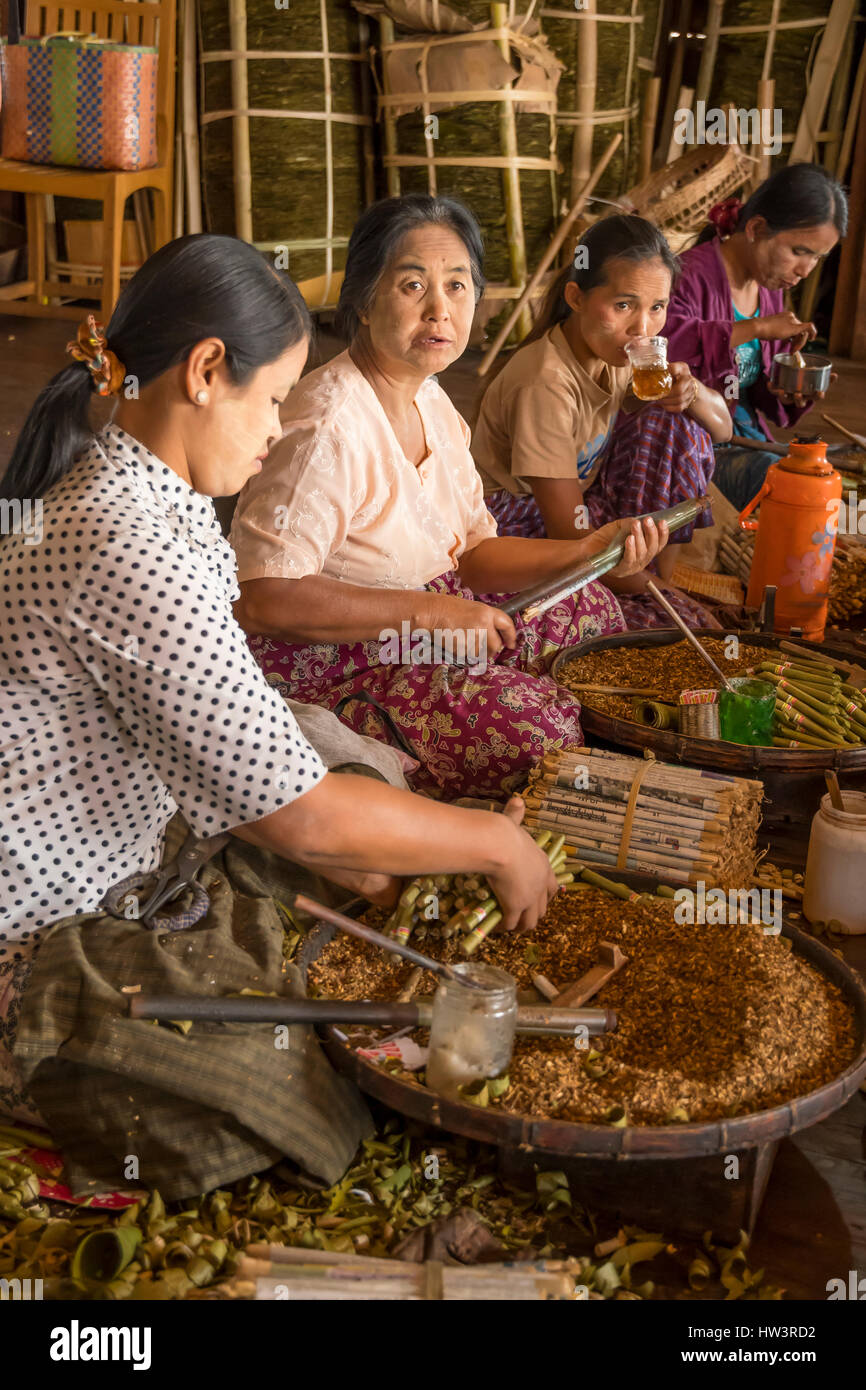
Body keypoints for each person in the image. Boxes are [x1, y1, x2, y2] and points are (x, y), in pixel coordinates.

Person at [0, 233, 559, 1190]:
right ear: (207, 371)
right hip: (41, 915)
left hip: (138, 843)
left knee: (354, 831)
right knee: (287, 1089)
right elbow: (289, 810)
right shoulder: (119, 536)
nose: (275, 431)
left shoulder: (155, 494)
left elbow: (254, 749)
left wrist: (372, 841)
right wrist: (491, 844)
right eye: (271, 401)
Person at [230, 196, 667, 800]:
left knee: (591, 611)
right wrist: (432, 614)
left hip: (427, 621)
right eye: (413, 285)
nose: (440, 309)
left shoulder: (432, 401)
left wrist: (589, 550)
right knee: (534, 731)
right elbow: (263, 599)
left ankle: (495, 698)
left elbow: (475, 553)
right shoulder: (328, 425)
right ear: (363, 297)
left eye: (458, 286)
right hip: (340, 661)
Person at [472, 215, 732, 631]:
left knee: (677, 425)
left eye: (657, 307)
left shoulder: (615, 356)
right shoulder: (545, 383)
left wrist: (692, 392)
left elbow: (722, 430)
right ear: (575, 297)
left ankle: (654, 577)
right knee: (634, 623)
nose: (642, 329)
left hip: (578, 510)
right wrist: (668, 600)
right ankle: (651, 587)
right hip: (517, 528)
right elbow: (568, 534)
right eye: (623, 305)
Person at [664, 163, 848, 511]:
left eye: (817, 258)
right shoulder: (686, 275)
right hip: (687, 445)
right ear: (757, 228)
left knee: (814, 476)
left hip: (742, 437)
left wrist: (788, 391)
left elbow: (750, 389)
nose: (805, 271)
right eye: (799, 251)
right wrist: (759, 328)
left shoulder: (769, 288)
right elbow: (666, 343)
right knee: (790, 491)